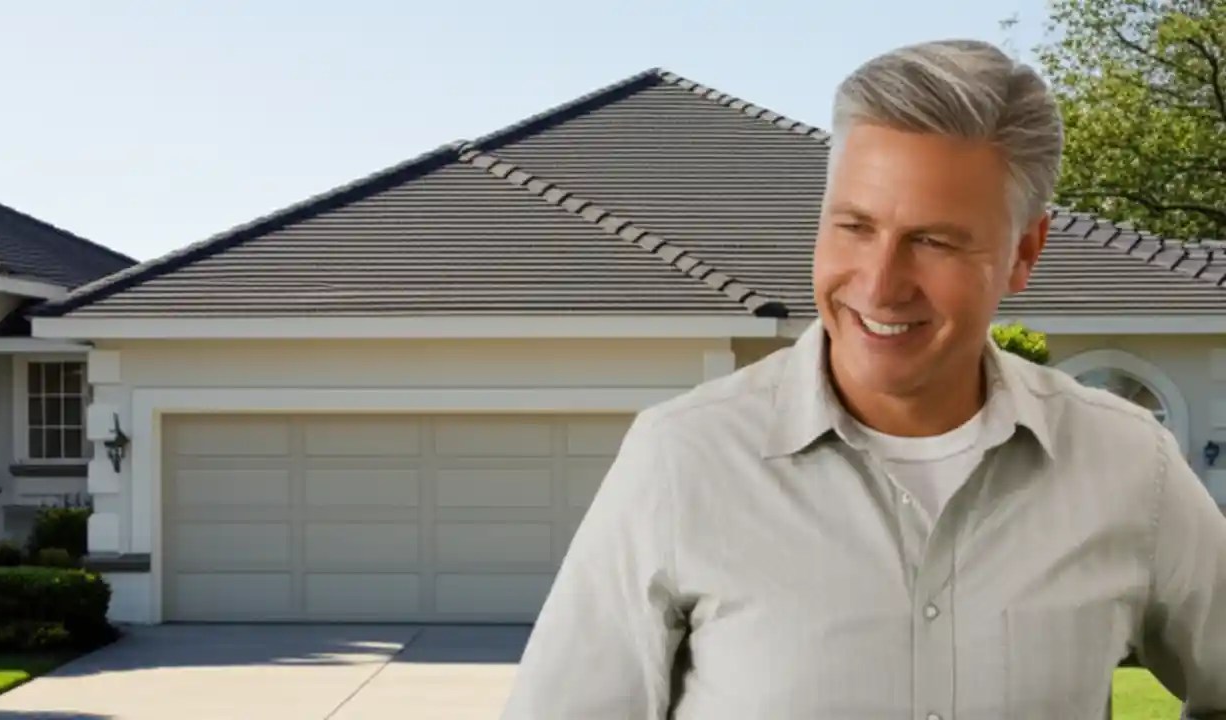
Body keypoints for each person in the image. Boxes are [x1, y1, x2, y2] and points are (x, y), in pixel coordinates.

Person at [500, 39, 1225, 718]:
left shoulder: (1130, 468)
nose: (880, 286)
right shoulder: (682, 460)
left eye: (933, 241)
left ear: (1023, 252)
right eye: (854, 226)